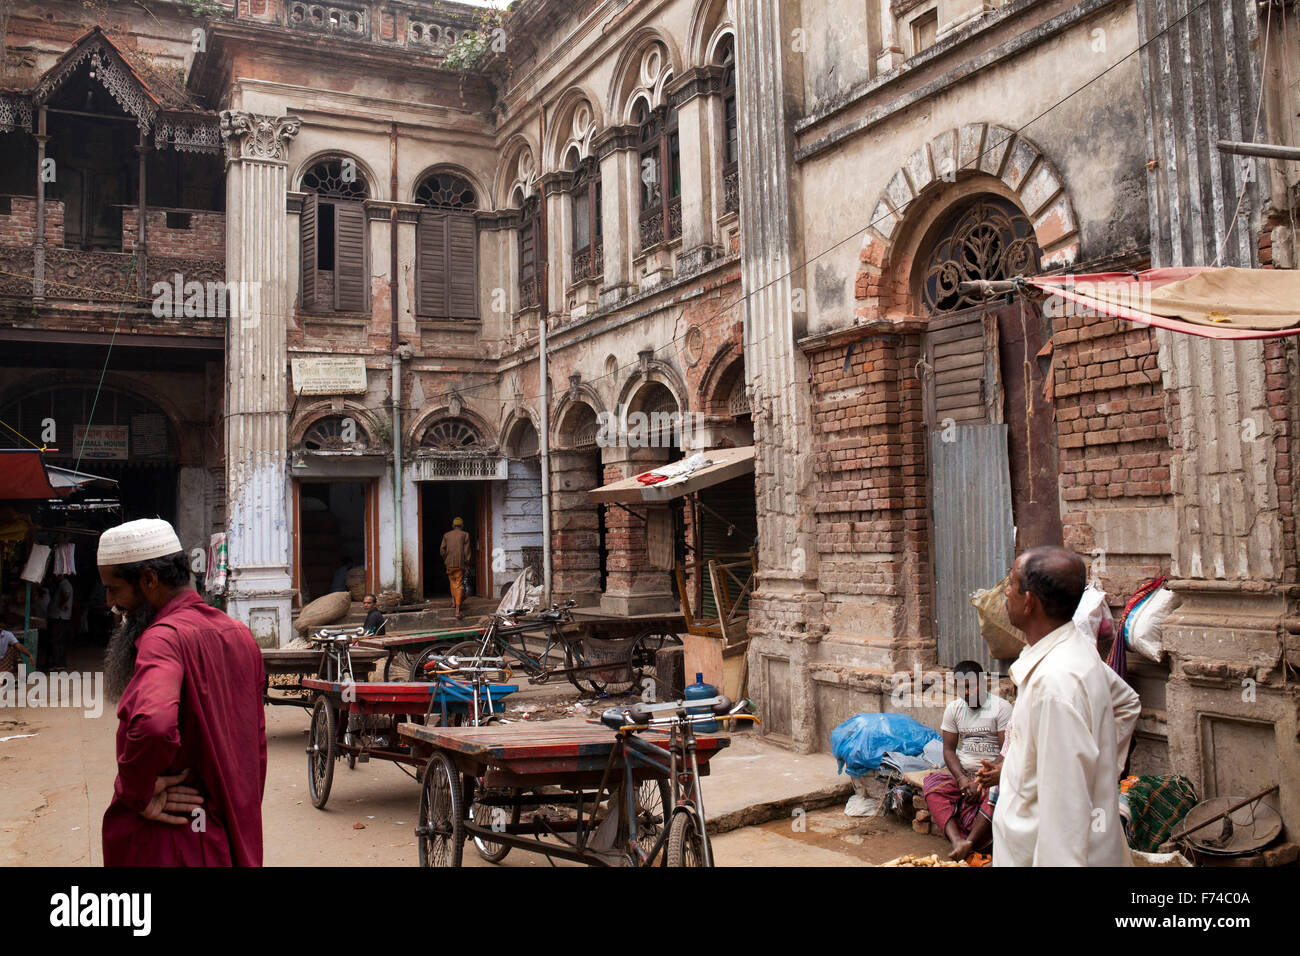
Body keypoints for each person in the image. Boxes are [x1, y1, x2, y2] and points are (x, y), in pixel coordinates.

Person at [97, 518, 267, 867]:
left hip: (178, 838)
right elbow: (256, 745)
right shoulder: (239, 634)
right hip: (227, 829)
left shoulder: (163, 638)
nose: (110, 602)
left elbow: (154, 724)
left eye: (114, 589)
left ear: (149, 579)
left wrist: (136, 791)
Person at [992, 546, 1141, 866]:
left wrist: (1099, 772)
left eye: (1013, 584)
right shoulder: (1071, 655)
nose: (1006, 591)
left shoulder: (1055, 685)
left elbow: (1065, 820)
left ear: (1029, 601)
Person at [921, 660, 1012, 860]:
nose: (966, 692)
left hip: (990, 774)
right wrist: (962, 779)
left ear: (983, 683)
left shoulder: (1001, 708)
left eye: (970, 686)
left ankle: (970, 842)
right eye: (961, 688)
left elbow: (1006, 752)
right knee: (931, 785)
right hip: (963, 774)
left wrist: (981, 779)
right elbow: (948, 750)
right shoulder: (954, 709)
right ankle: (957, 841)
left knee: (998, 791)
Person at [440, 517, 471, 619]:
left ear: (453, 526)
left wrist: (446, 558)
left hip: (449, 564)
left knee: (452, 582)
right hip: (459, 564)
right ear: (462, 526)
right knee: (458, 585)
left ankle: (453, 602)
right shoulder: (465, 534)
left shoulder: (446, 535)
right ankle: (457, 611)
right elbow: (466, 551)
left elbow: (442, 550)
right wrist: (467, 563)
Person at [48, 573, 74, 670]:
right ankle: (59, 663)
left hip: (59, 616)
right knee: (59, 640)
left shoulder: (64, 584)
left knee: (56, 640)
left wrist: (62, 604)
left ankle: (57, 663)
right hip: (60, 616)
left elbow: (67, 594)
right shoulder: (62, 584)